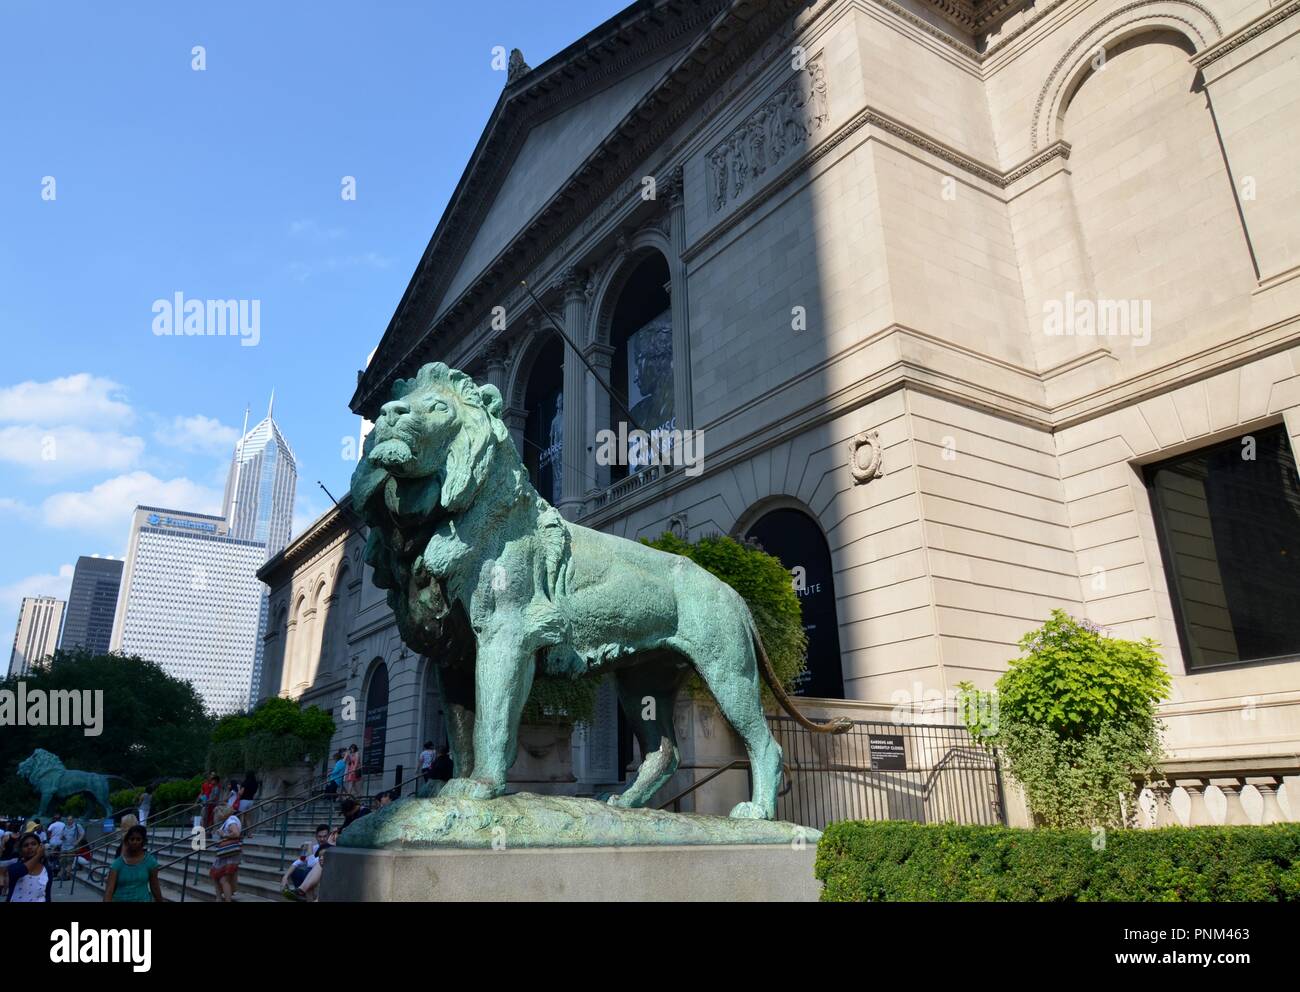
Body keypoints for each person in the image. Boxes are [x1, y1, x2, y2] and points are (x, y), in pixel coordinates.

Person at [104, 825, 163, 902]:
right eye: (132, 839)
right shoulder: (117, 864)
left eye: (138, 839)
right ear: (128, 841)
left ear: (143, 841)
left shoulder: (150, 862)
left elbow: (155, 887)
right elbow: (109, 890)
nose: (135, 842)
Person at [1, 832, 52, 902]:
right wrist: (38, 855)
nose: (30, 847)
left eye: (33, 844)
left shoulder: (46, 870)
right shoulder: (14, 868)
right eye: (26, 845)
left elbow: (47, 895)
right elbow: (21, 871)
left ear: (40, 847)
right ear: (21, 850)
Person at [209, 805, 241, 902]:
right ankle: (219, 898)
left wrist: (223, 834)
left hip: (229, 853)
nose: (217, 817)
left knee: (223, 879)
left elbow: (236, 833)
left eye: (218, 814)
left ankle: (224, 899)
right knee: (216, 875)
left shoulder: (230, 821)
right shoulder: (230, 820)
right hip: (227, 852)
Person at [238, 771, 259, 837]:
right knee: (248, 818)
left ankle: (239, 833)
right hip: (251, 801)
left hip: (244, 801)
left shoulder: (245, 783)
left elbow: (241, 793)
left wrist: (239, 788)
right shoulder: (255, 783)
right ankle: (250, 834)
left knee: (241, 817)